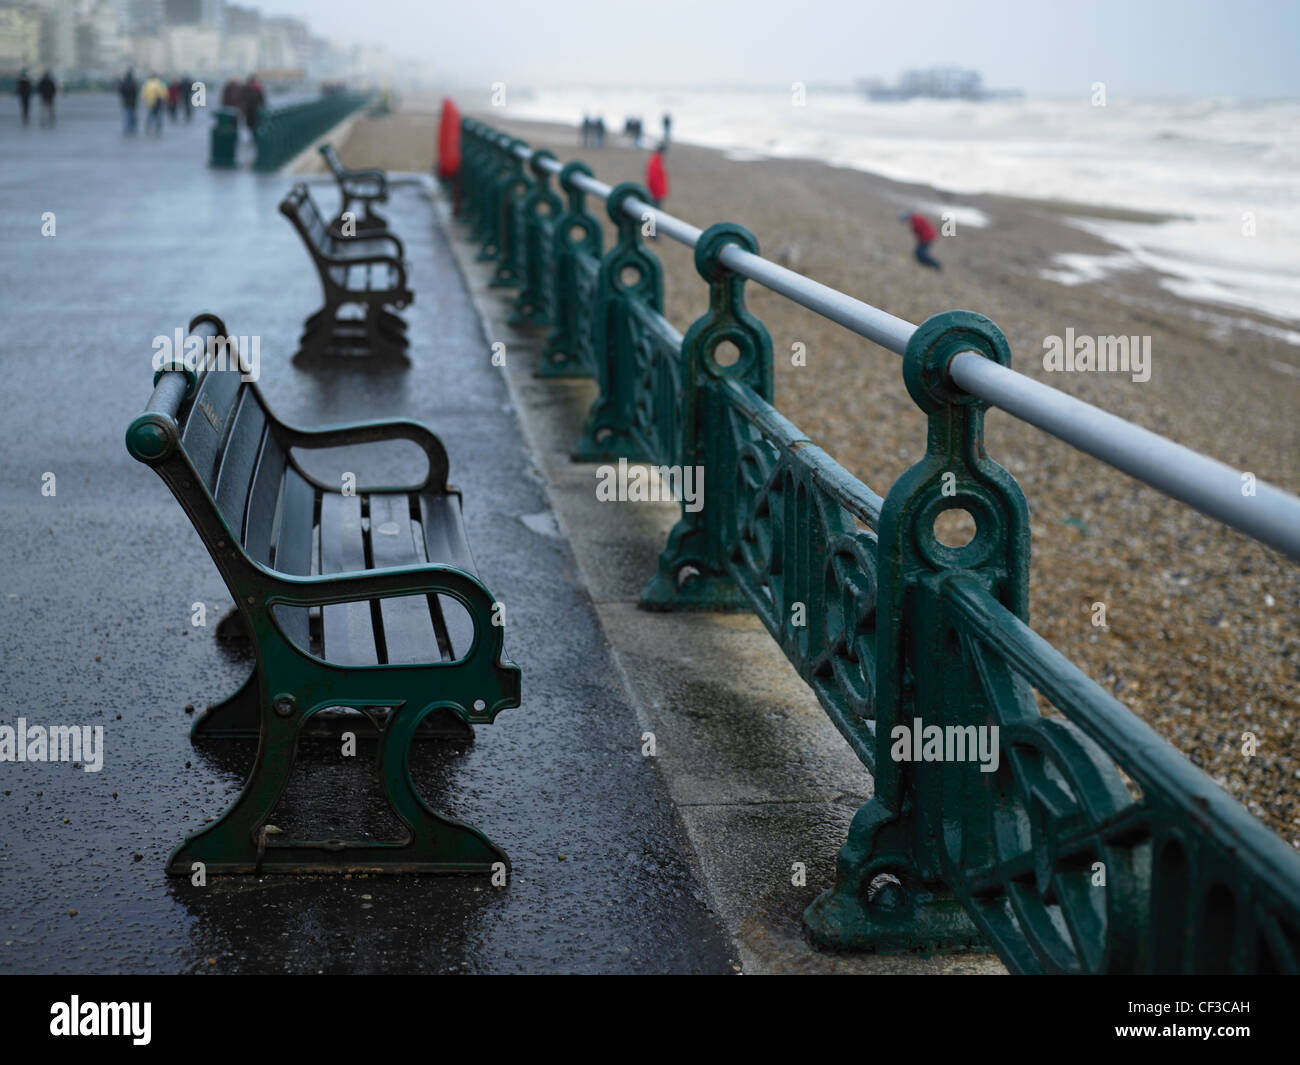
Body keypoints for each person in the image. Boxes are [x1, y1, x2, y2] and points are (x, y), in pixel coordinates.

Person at [242, 74, 265, 138]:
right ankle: (255, 137)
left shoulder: (257, 89)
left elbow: (262, 100)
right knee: (252, 125)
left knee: (254, 125)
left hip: (254, 111)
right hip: (252, 111)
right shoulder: (256, 88)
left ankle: (255, 137)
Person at [646, 143, 668, 209]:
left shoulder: (657, 159)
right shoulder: (655, 160)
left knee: (656, 208)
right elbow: (653, 177)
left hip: (657, 190)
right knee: (655, 209)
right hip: (656, 191)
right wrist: (656, 190)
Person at [118, 68, 139, 134]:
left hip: (125, 102)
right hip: (133, 102)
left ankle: (126, 129)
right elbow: (136, 92)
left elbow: (120, 91)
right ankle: (132, 129)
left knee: (126, 116)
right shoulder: (134, 83)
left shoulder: (123, 83)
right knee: (132, 116)